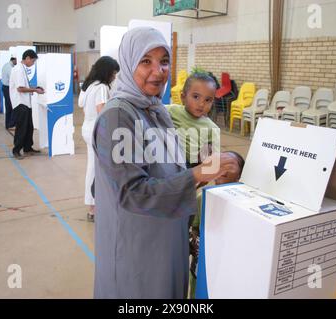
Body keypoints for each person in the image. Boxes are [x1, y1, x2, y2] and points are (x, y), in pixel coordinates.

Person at [92, 27, 239, 299]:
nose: (158, 70)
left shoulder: (155, 110)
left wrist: (209, 171)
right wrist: (198, 173)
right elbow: (132, 192)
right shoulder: (117, 117)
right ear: (127, 62)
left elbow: (169, 167)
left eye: (164, 61)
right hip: (139, 252)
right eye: (145, 61)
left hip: (166, 239)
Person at [188, 151, 245, 299]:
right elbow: (194, 227)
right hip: (199, 270)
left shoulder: (243, 205)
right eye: (218, 164)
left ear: (240, 175)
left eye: (229, 165)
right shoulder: (201, 198)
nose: (221, 169)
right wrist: (194, 241)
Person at [78, 56, 120, 223]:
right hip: (97, 130)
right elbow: (103, 112)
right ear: (107, 71)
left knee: (92, 167)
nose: (114, 77)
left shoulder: (88, 86)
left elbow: (82, 108)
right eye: (114, 73)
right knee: (97, 169)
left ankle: (93, 206)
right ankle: (94, 207)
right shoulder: (102, 87)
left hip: (87, 128)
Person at [167, 72, 219, 168]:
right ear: (183, 97)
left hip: (190, 165)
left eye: (207, 100)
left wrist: (207, 152)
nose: (201, 104)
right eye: (196, 97)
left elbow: (213, 153)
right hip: (168, 157)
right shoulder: (171, 110)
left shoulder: (212, 128)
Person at [9, 49, 44, 160]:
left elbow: (24, 86)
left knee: (29, 127)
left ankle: (28, 148)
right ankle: (16, 150)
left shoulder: (22, 69)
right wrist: (35, 90)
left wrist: (35, 88)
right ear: (27, 58)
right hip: (20, 103)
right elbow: (20, 88)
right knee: (22, 128)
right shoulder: (18, 70)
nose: (33, 63)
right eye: (33, 61)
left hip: (25, 103)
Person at [2, 57, 17, 129]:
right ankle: (10, 124)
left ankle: (9, 124)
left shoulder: (6, 65)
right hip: (8, 88)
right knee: (11, 106)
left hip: (5, 87)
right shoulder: (10, 68)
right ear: (14, 60)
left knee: (9, 106)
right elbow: (12, 79)